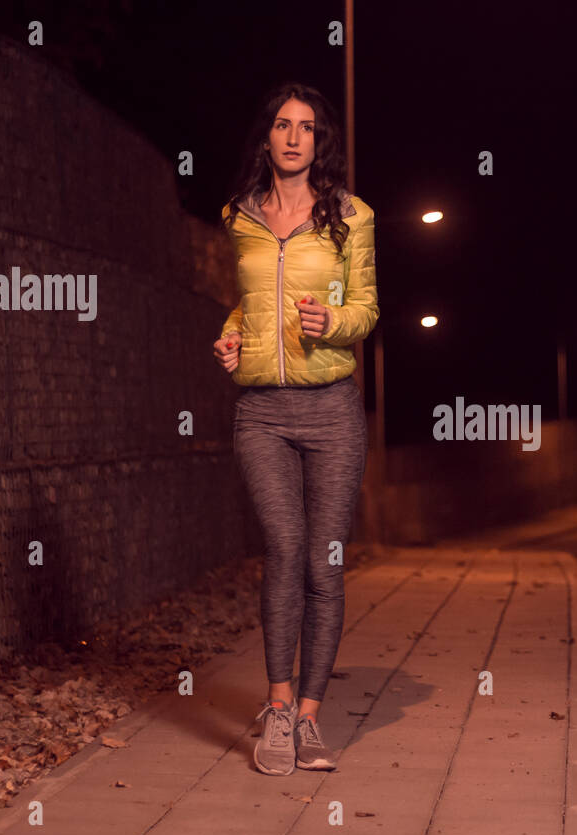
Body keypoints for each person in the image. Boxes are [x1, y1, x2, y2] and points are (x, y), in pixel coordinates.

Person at [212, 82, 377, 775]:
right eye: (282, 125)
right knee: (283, 548)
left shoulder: (350, 216)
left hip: (333, 408)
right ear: (268, 136)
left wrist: (331, 322)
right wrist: (230, 337)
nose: (293, 138)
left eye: (306, 128)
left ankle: (310, 716)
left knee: (323, 562)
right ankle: (277, 709)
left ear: (320, 142)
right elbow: (249, 302)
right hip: (262, 414)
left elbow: (366, 309)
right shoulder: (239, 216)